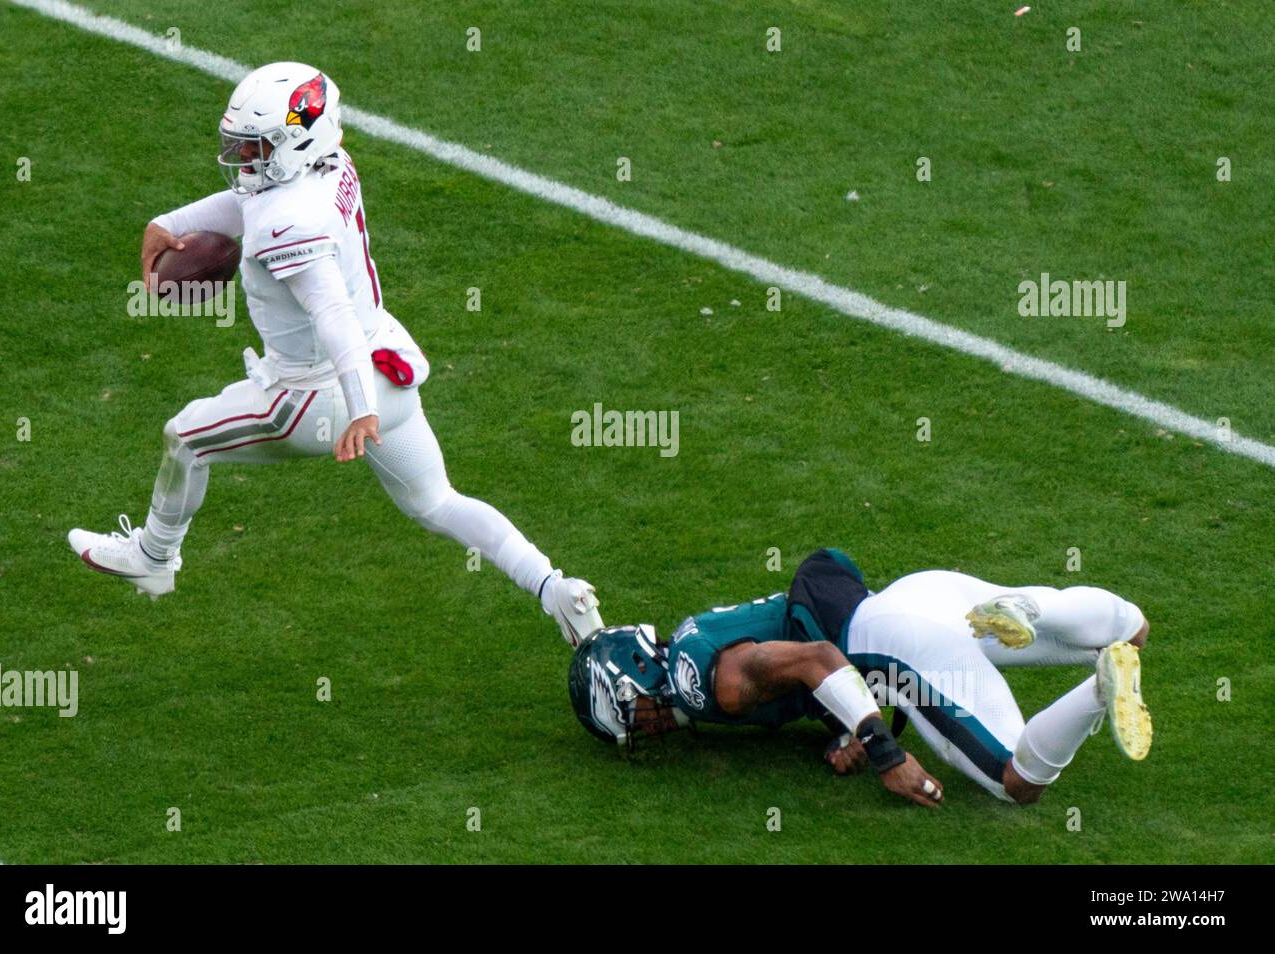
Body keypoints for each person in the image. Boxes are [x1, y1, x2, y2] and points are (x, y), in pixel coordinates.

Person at [68, 62, 602, 646]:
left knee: (185, 437)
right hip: (388, 366)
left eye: (257, 146)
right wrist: (166, 224)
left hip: (321, 395)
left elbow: (330, 314)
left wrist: (360, 409)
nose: (244, 157)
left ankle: (153, 555)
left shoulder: (285, 222)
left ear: (297, 141)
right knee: (438, 501)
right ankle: (557, 589)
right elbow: (249, 205)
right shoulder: (331, 166)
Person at [569, 548, 1151, 807]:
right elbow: (817, 666)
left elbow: (820, 658)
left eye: (631, 717)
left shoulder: (703, 681)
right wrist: (843, 731)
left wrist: (885, 754)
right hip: (909, 598)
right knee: (1132, 632)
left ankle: (1103, 687)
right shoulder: (698, 641)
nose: (644, 729)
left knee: (1016, 782)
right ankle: (1032, 608)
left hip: (887, 643)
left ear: (635, 681)